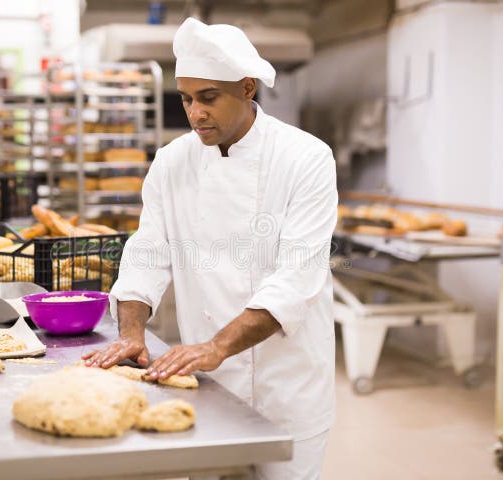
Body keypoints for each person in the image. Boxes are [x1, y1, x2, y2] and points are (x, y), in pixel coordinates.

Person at [83, 17, 338, 480]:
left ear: (247, 89)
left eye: (208, 97)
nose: (195, 112)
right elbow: (147, 253)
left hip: (288, 383)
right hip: (209, 382)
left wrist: (219, 346)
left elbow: (297, 278)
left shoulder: (305, 157)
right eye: (186, 98)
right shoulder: (173, 160)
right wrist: (131, 332)